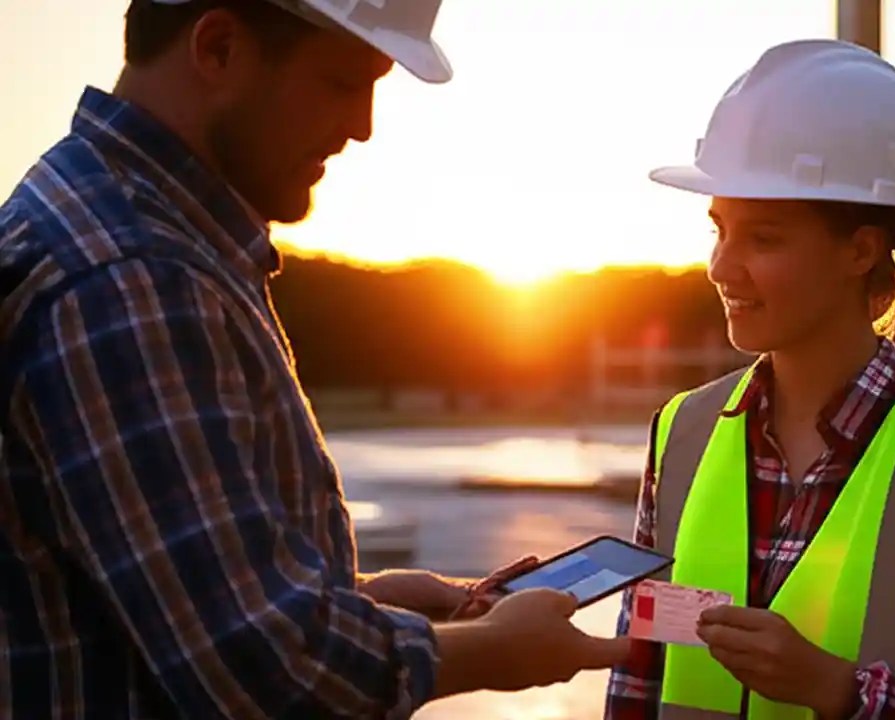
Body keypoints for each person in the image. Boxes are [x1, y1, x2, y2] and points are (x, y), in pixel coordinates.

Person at [0, 1, 628, 718]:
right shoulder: (133, 278)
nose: (362, 125)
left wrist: (355, 605)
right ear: (219, 48)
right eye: (340, 82)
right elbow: (262, 672)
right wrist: (494, 650)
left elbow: (144, 608)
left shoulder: (118, 231)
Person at [604, 40, 895, 719]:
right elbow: (639, 686)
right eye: (719, 231)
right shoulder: (684, 434)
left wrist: (843, 695)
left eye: (763, 238)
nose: (721, 269)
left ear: (860, 249)